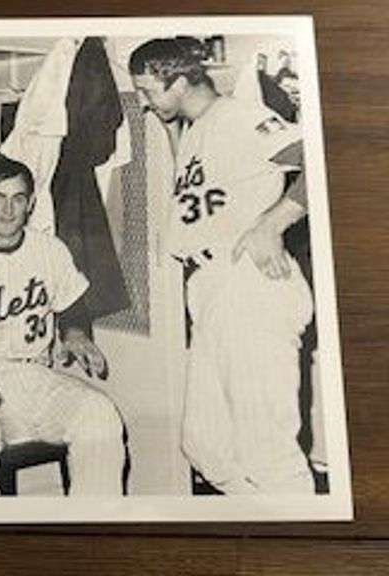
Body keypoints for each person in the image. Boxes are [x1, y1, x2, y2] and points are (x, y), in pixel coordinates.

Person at [128, 38, 314, 494]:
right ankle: (268, 524)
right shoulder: (197, 130)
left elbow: (320, 156)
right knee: (205, 444)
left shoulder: (238, 116)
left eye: (149, 90)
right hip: (214, 292)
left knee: (268, 451)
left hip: (249, 286)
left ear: (178, 81)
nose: (145, 103)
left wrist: (274, 222)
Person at [0, 156, 126, 497]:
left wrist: (76, 332)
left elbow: (72, 307)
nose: (8, 210)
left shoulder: (49, 250)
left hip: (35, 376)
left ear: (31, 203)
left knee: (100, 413)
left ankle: (94, 531)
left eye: (18, 199)